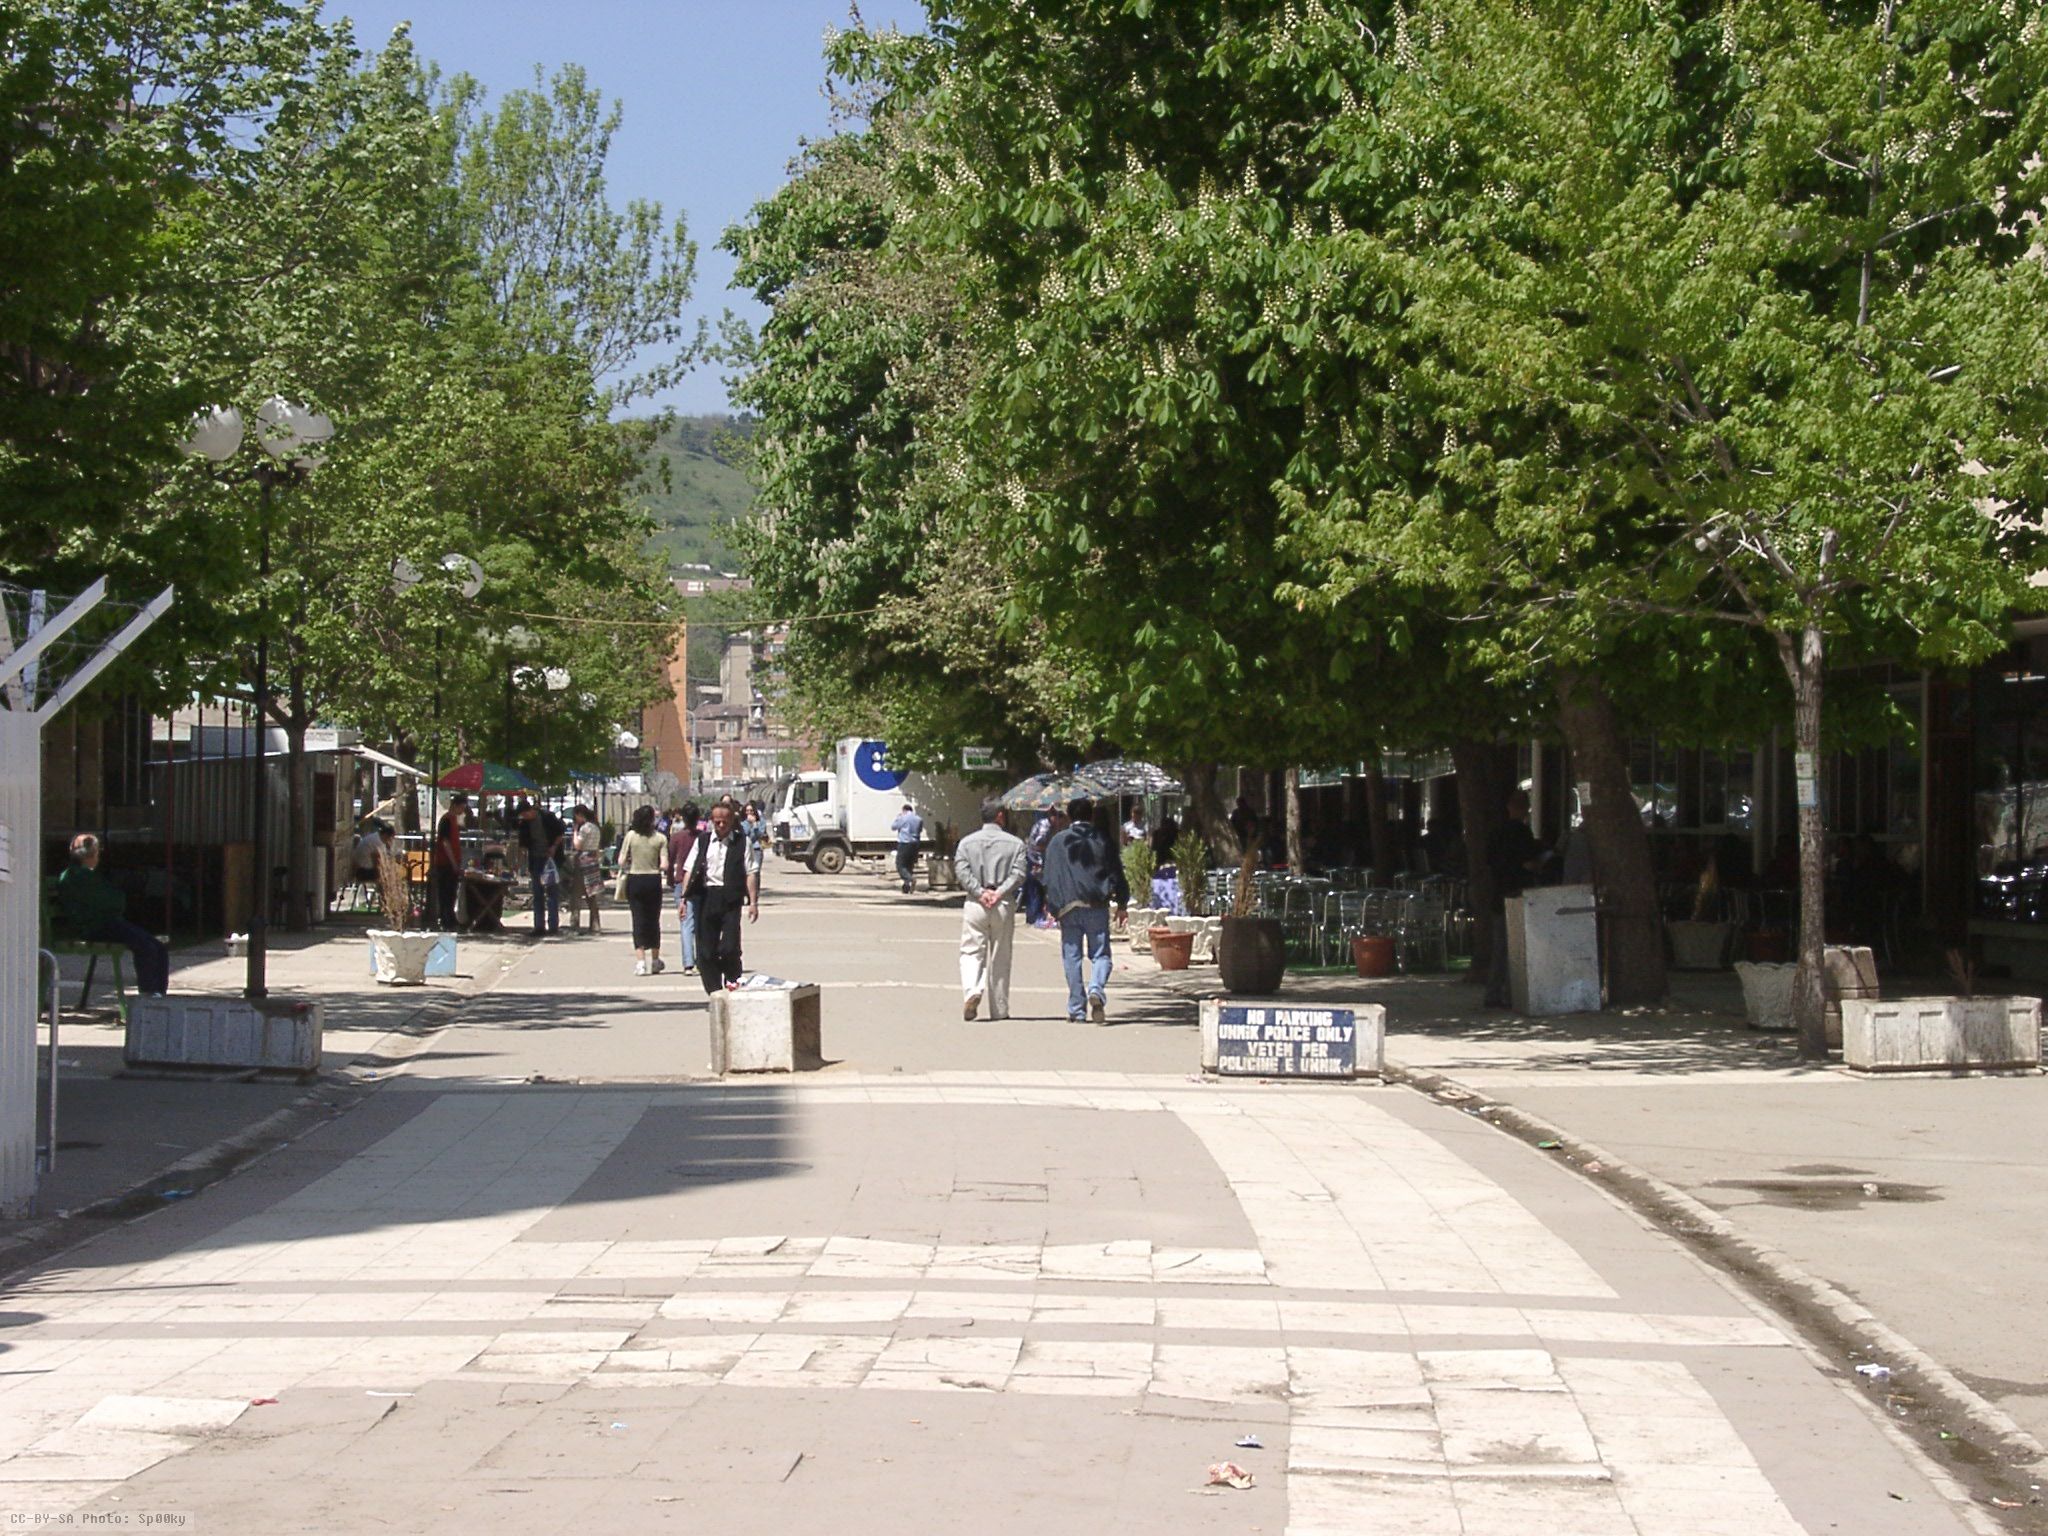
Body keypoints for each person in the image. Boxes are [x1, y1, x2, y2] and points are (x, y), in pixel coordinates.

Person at [1043, 797, 1129, 1023]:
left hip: (1068, 906)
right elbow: (1116, 871)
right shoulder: (1102, 839)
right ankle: (1096, 988)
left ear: (1070, 817)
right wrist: (1122, 902)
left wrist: (1052, 905)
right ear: (1091, 816)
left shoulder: (1057, 842)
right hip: (1096, 904)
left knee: (1072, 957)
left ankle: (1076, 1009)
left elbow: (1049, 876)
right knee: (1101, 954)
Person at [55, 834, 170, 996]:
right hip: (96, 927)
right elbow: (112, 901)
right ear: (91, 855)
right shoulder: (79, 876)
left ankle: (158, 994)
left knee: (157, 946)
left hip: (104, 923)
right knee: (147, 946)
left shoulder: (82, 875)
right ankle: (150, 994)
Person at [954, 798, 1026, 1022]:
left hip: (976, 903)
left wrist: (979, 891)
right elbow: (1019, 873)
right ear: (1000, 816)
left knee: (971, 950)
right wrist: (999, 892)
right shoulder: (1015, 844)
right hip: (1002, 903)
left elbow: (961, 870)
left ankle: (972, 990)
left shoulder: (967, 843)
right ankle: (999, 1008)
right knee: (1000, 955)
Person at [679, 800, 761, 991]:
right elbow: (689, 870)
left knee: (729, 948)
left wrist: (753, 902)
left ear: (732, 820)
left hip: (731, 898)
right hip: (707, 897)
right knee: (706, 953)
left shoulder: (743, 842)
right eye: (717, 822)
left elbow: (750, 872)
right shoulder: (703, 841)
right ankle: (715, 992)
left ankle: (732, 982)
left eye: (725, 821)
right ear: (711, 821)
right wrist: (684, 899)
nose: (721, 825)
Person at [1483, 789, 1546, 1008]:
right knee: (1517, 946)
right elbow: (1530, 863)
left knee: (1501, 946)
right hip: (1519, 891)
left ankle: (1494, 992)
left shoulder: (1496, 833)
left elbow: (1489, 861)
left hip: (1499, 891)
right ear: (1526, 809)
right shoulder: (1522, 833)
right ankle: (1510, 992)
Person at [616, 805, 668, 975]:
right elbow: (664, 864)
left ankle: (640, 962)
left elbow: (621, 861)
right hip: (653, 880)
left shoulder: (631, 836)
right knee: (653, 920)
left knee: (638, 919)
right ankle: (655, 959)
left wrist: (632, 857)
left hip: (635, 878)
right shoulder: (660, 838)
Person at [517, 800, 567, 937]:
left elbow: (560, 832)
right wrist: (521, 862)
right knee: (537, 893)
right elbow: (523, 845)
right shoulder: (524, 824)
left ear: (530, 811)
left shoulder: (547, 817)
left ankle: (553, 925)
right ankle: (539, 926)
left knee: (552, 892)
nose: (525, 818)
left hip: (550, 859)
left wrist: (554, 847)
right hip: (536, 859)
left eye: (525, 814)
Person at [667, 800, 703, 974]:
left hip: (682, 881)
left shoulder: (676, 838)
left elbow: (670, 860)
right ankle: (702, 960)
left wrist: (669, 879)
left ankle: (688, 963)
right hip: (701, 882)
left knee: (686, 923)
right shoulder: (703, 837)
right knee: (701, 922)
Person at [429, 794, 468, 931]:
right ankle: (446, 920)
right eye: (462, 807)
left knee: (451, 893)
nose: (463, 811)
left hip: (451, 862)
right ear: (455, 806)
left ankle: (450, 918)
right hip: (445, 863)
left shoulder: (453, 820)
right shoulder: (446, 820)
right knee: (446, 893)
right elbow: (445, 843)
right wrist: (453, 862)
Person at [567, 805, 603, 933]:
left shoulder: (585, 828)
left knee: (576, 894)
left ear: (579, 814)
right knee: (591, 894)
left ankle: (574, 923)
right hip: (593, 860)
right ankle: (595, 923)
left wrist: (575, 832)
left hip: (583, 861)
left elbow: (577, 845)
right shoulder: (596, 828)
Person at [1022, 809, 1058, 927]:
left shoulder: (1047, 825)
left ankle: (1035, 916)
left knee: (1037, 890)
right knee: (1036, 889)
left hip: (1037, 861)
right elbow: (1039, 842)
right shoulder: (1045, 825)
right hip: (1035, 861)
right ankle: (1034, 917)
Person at [891, 802, 924, 893]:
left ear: (904, 810)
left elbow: (893, 827)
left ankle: (910, 879)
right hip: (915, 844)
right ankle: (906, 887)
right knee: (909, 865)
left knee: (900, 865)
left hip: (904, 843)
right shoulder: (918, 819)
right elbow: (920, 830)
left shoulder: (903, 818)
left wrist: (898, 818)